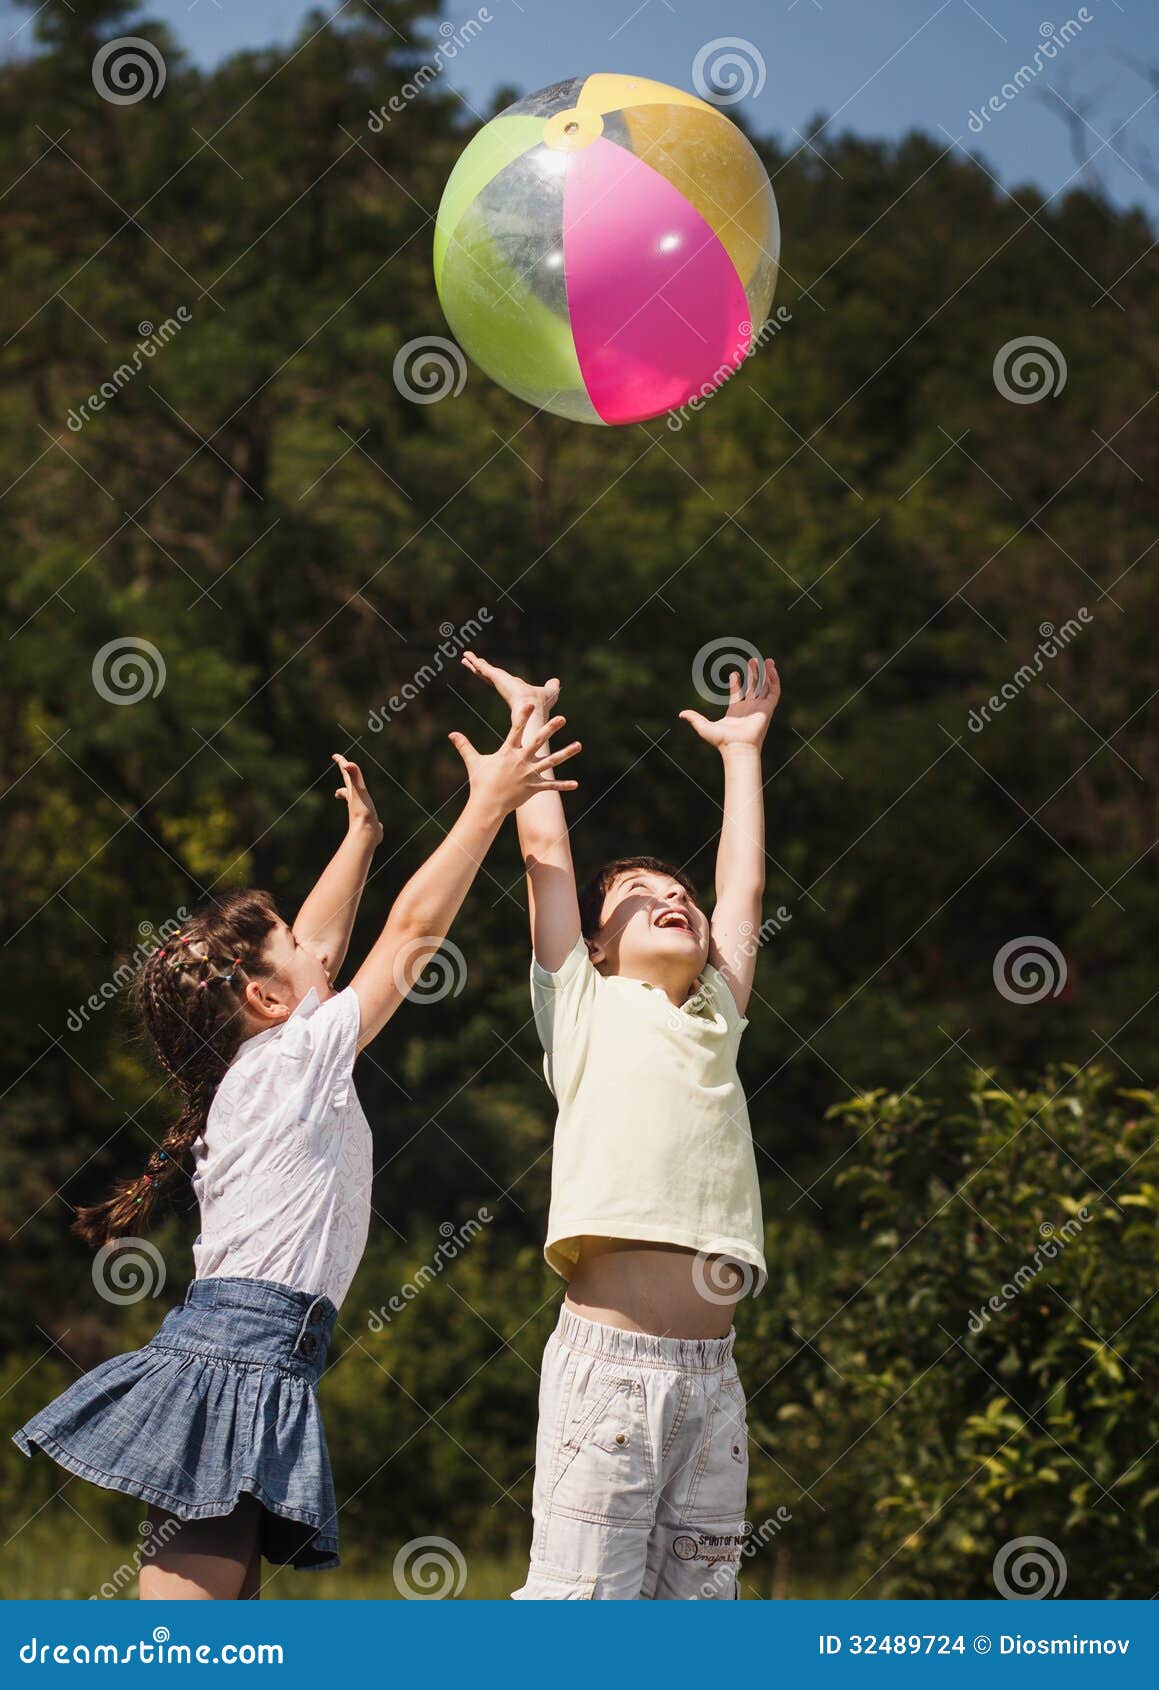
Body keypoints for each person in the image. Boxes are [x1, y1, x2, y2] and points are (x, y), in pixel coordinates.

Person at [14, 719, 579, 1598]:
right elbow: (408, 934)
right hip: (238, 1356)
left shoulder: (268, 1054)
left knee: (218, 1626)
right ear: (265, 998)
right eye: (293, 953)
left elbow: (316, 948)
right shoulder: (289, 1062)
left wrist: (361, 839)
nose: (319, 954)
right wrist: (485, 805)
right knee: (181, 1642)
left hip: (256, 1353)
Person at [463, 649, 780, 1601]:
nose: (673, 898)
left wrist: (740, 753)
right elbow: (543, 857)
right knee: (579, 1621)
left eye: (677, 893)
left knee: (695, 1629)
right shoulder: (584, 1003)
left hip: (712, 1382)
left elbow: (743, 892)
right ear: (595, 945)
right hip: (609, 1376)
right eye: (641, 899)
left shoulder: (713, 1015)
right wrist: (524, 729)